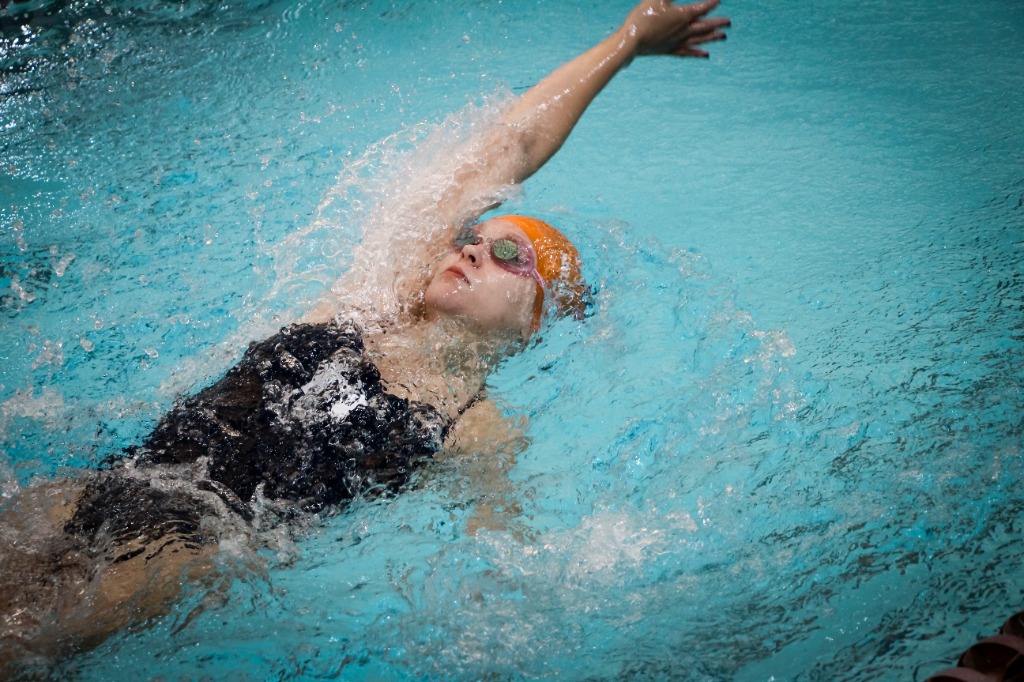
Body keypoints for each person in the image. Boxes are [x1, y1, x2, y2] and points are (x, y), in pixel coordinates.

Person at [0, 0, 730, 669]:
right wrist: (627, 39)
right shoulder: (364, 304)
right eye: (475, 236)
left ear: (536, 319)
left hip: (179, 552)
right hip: (108, 481)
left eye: (511, 253)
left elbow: (503, 563)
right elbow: (507, 147)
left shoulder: (476, 429)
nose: (474, 248)